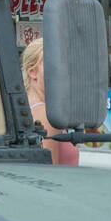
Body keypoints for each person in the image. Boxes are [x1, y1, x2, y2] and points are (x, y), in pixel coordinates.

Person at [21, 38, 78, 166]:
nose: (62, 71)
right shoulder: (47, 114)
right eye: (53, 64)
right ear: (33, 72)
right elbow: (50, 173)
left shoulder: (25, 109)